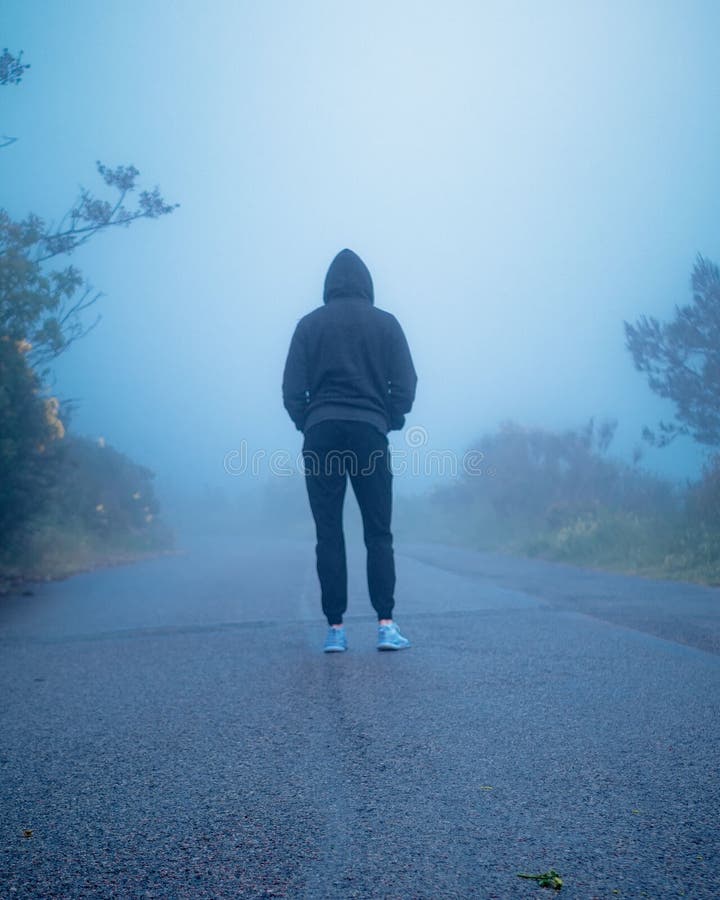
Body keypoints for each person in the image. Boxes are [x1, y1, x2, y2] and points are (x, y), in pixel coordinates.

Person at [282, 248, 418, 653]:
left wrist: (308, 421)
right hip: (369, 433)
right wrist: (387, 419)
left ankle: (335, 630)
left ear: (329, 284)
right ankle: (386, 626)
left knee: (328, 533)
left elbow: (292, 390)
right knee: (378, 531)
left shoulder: (309, 325)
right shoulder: (386, 324)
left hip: (321, 433)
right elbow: (406, 384)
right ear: (367, 283)